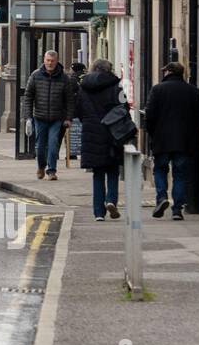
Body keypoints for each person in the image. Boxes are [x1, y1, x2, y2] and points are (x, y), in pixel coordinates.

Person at [144, 61, 199, 220]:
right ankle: (177, 209)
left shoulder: (157, 90)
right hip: (184, 140)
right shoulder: (194, 91)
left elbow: (149, 115)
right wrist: (192, 132)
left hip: (161, 139)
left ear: (168, 72)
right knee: (180, 174)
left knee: (160, 170)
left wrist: (153, 133)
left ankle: (162, 198)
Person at [76, 59, 129, 221]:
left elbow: (79, 110)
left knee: (98, 174)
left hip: (92, 133)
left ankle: (99, 212)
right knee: (112, 170)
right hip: (112, 132)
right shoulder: (115, 86)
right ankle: (111, 200)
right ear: (109, 70)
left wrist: (89, 121)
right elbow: (124, 107)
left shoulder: (84, 87)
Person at [21, 49, 76, 181]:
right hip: (39, 117)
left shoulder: (64, 78)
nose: (50, 63)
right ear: (44, 60)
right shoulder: (35, 75)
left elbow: (69, 100)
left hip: (57, 118)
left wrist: (68, 118)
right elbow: (28, 97)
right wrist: (28, 117)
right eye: (47, 60)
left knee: (53, 144)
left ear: (57, 62)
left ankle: (51, 171)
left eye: (52, 61)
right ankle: (41, 166)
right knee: (40, 146)